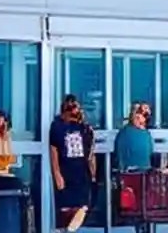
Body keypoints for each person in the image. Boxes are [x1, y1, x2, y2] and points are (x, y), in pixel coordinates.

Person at [50, 94, 96, 232]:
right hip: (66, 171)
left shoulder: (85, 128)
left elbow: (90, 153)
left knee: (83, 206)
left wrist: (92, 174)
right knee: (66, 209)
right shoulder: (58, 126)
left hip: (81, 172)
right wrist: (57, 173)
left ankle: (69, 230)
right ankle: (66, 229)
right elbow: (54, 151)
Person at [115, 102, 154, 170]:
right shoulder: (125, 133)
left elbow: (149, 152)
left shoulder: (146, 134)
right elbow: (120, 155)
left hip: (143, 172)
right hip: (129, 174)